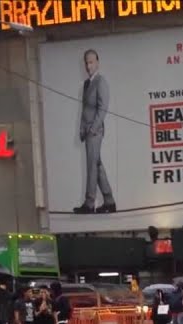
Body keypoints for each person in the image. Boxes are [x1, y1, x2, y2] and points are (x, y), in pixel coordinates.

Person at [74, 48, 116, 214]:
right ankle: (109, 201)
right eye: (86, 62)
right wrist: (81, 129)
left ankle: (89, 203)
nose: (88, 65)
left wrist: (93, 128)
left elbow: (103, 108)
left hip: (96, 131)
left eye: (91, 62)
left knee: (92, 165)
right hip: (88, 131)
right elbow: (85, 109)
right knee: (97, 166)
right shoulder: (86, 84)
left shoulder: (101, 82)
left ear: (97, 63)